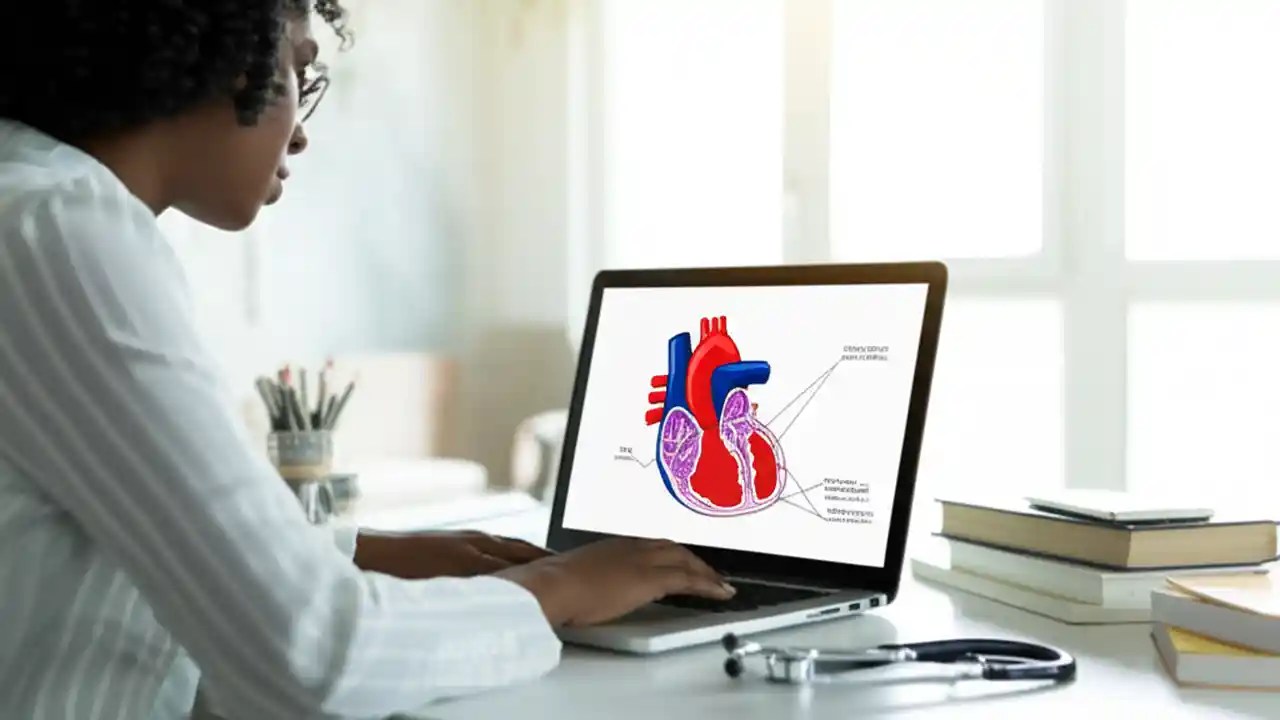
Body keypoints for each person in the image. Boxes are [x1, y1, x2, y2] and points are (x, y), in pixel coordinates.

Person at [0, 2, 735, 718]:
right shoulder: (59, 230)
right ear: (219, 56)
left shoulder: (30, 203)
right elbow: (312, 654)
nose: (300, 137)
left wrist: (359, 552)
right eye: (298, 72)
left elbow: (115, 520)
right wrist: (558, 589)